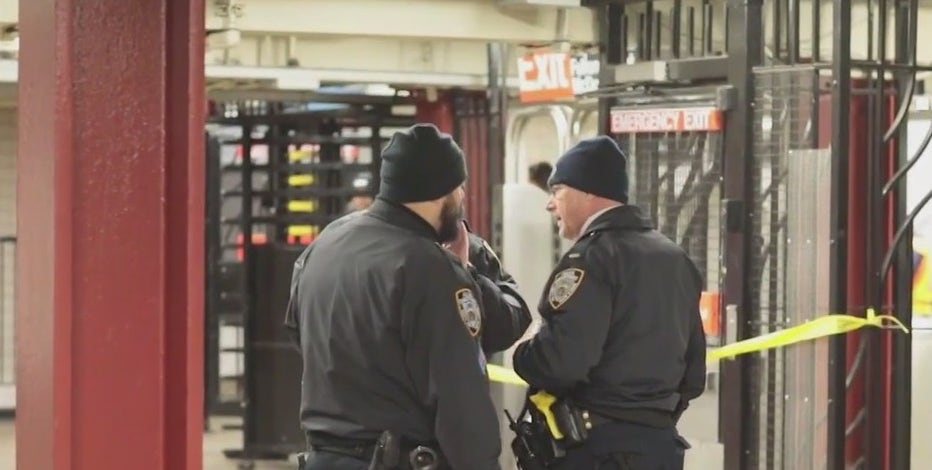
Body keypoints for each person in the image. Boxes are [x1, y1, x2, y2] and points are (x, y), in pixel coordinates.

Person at [284, 124, 504, 470]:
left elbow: (300, 333)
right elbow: (459, 398)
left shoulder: (326, 242)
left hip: (323, 457)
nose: (462, 198)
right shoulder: (430, 268)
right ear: (439, 192)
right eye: (458, 188)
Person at [511, 136, 706, 470]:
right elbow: (693, 374)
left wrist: (524, 352)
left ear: (588, 191)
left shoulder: (590, 259)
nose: (550, 203)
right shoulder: (674, 257)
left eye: (557, 190)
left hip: (596, 451)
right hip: (659, 449)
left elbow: (561, 363)